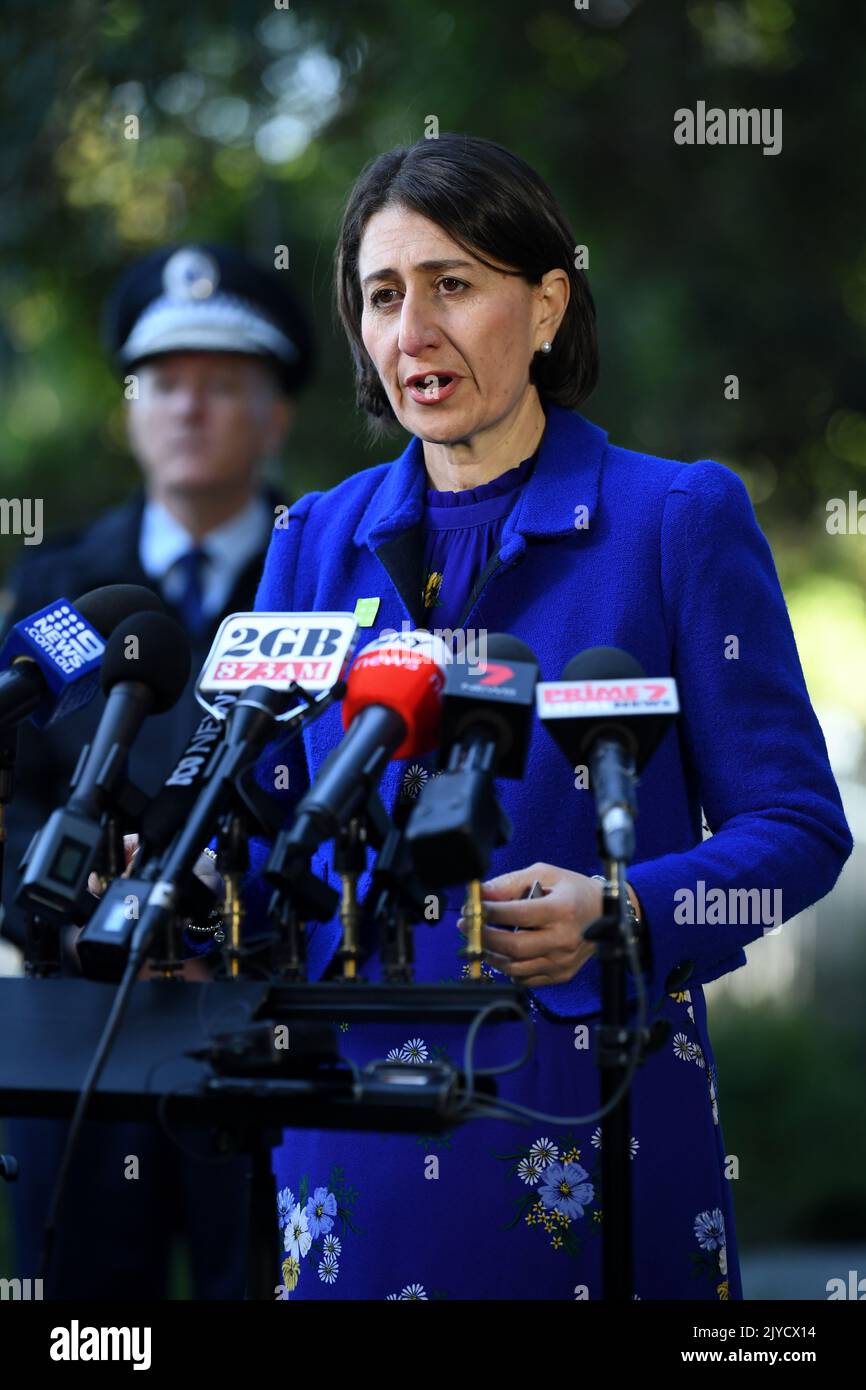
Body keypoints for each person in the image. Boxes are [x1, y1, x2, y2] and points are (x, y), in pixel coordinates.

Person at [241, 133, 853, 1301]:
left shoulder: (674, 519)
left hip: (581, 1113)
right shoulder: (311, 535)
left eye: (451, 285)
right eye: (381, 296)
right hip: (349, 1130)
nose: (411, 329)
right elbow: (272, 807)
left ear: (546, 304)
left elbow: (796, 827)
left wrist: (625, 912)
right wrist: (183, 882)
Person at [0, 242, 314, 1298]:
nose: (187, 409)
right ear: (131, 412)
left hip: (257, 1025)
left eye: (223, 386)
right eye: (162, 385)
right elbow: (16, 786)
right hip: (77, 1030)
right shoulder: (58, 586)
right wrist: (56, 893)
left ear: (275, 416)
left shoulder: (319, 578)